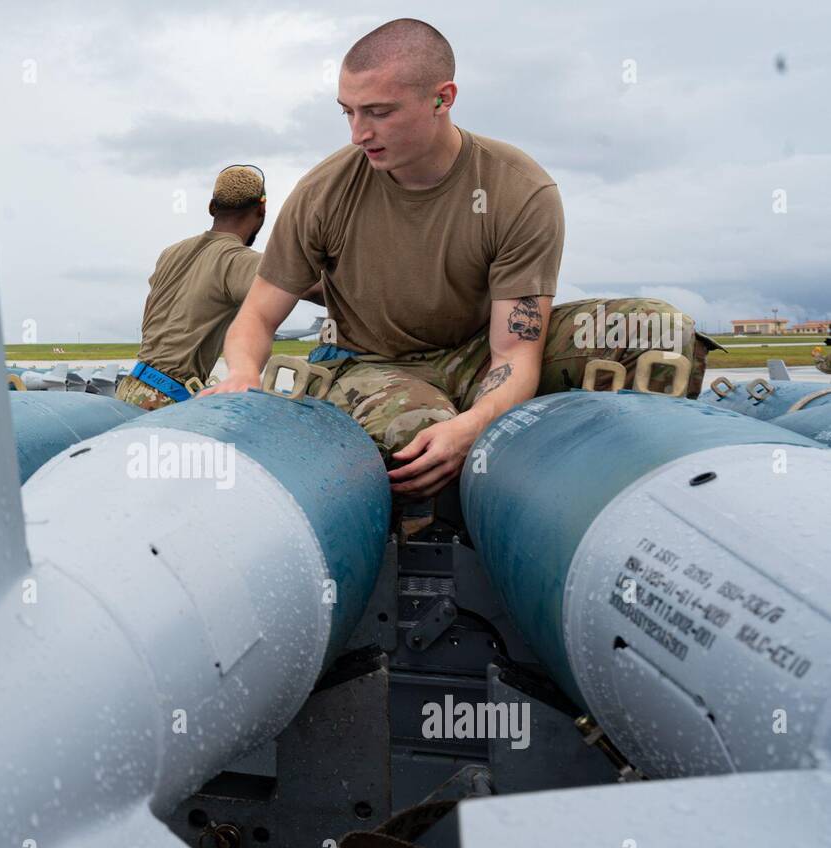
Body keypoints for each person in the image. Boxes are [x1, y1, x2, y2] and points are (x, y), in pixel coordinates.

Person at [203, 18, 712, 498]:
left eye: (379, 112)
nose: (358, 133)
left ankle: (624, 490)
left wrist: (472, 426)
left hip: (483, 353)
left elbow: (514, 353)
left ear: (442, 99)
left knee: (661, 333)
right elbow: (257, 316)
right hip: (376, 364)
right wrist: (244, 373)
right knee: (417, 434)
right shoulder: (324, 191)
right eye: (348, 111)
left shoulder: (519, 188)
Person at [116, 165, 323, 410]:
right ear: (262, 209)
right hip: (164, 398)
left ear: (212, 207)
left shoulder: (171, 253)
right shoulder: (237, 261)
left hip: (131, 387)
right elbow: (309, 288)